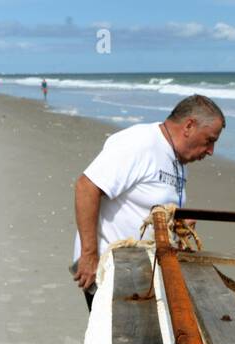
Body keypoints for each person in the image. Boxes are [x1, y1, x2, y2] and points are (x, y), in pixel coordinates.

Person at [71, 95, 224, 309]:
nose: (211, 151)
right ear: (189, 126)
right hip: (112, 271)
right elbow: (86, 187)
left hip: (145, 271)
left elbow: (152, 201)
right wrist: (88, 256)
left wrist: (178, 220)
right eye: (209, 140)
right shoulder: (139, 143)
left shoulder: (178, 159)